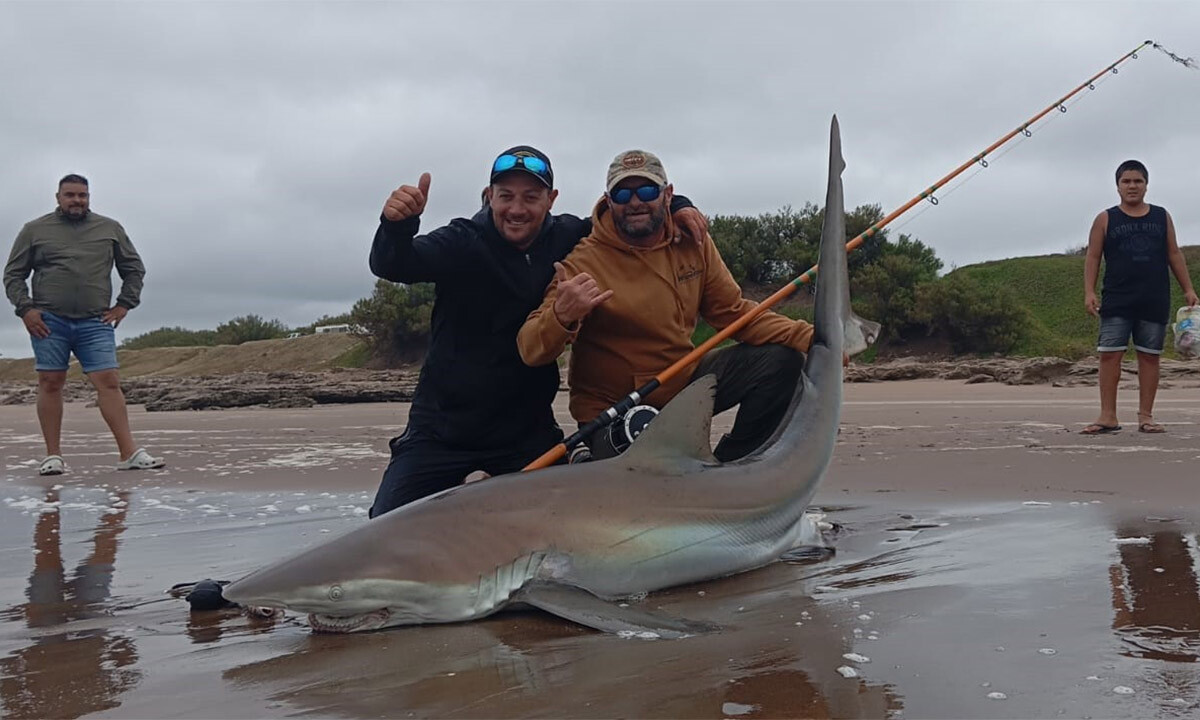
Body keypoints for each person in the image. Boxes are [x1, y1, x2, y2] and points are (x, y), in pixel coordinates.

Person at [366, 146, 708, 517]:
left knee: (583, 524)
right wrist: (397, 225)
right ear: (489, 197)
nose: (517, 209)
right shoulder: (462, 240)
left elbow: (629, 216)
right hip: (443, 431)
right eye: (506, 196)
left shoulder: (568, 236)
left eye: (531, 197)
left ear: (551, 200)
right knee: (382, 526)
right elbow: (393, 263)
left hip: (525, 432)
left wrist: (679, 205)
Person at [517, 149, 815, 462]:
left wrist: (815, 338)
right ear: (608, 200)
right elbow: (530, 348)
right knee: (647, 485)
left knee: (780, 361)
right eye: (622, 193)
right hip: (614, 409)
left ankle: (734, 466)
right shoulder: (584, 261)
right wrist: (561, 317)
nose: (635, 202)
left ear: (668, 194)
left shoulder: (693, 240)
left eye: (646, 191)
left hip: (683, 385)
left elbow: (735, 314)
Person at [4, 174, 165, 475]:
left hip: (96, 320)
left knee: (109, 381)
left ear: (89, 197)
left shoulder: (110, 228)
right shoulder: (34, 230)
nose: (77, 200)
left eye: (83, 195)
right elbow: (13, 274)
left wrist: (125, 304)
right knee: (50, 382)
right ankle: (53, 457)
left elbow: (133, 269)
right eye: (70, 195)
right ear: (58, 197)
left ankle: (129, 454)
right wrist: (26, 309)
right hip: (48, 321)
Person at [1081, 159, 1198, 435]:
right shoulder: (1105, 218)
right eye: (1126, 181)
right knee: (1110, 356)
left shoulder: (1161, 216)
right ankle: (1107, 416)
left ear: (1146, 185)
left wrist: (1188, 288)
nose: (1132, 186)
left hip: (1153, 298)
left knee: (1149, 357)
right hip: (1117, 299)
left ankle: (1146, 416)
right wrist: (1089, 291)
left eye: (1138, 181)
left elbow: (1174, 254)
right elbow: (1093, 256)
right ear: (1118, 186)